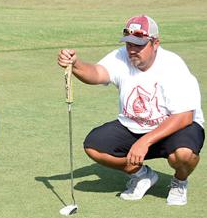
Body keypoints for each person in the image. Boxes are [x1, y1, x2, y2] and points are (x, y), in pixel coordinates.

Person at [57, 15, 204, 206]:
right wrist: (76, 64)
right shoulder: (120, 57)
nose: (132, 50)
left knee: (184, 155)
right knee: (94, 146)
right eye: (129, 44)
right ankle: (142, 176)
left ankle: (180, 181)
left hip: (175, 127)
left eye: (139, 45)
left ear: (155, 43)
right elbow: (97, 73)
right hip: (134, 126)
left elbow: (184, 117)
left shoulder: (173, 66)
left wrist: (145, 141)